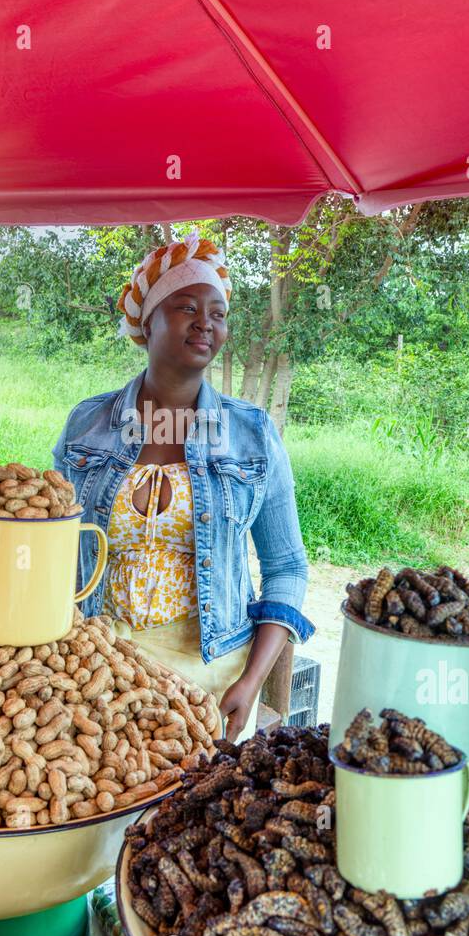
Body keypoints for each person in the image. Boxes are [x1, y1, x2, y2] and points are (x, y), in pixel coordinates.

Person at [52, 232, 314, 740]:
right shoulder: (88, 424)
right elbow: (49, 543)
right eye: (186, 306)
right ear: (146, 321)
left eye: (218, 313)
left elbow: (286, 566)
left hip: (208, 675)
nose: (205, 323)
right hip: (92, 666)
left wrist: (250, 679)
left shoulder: (252, 434)